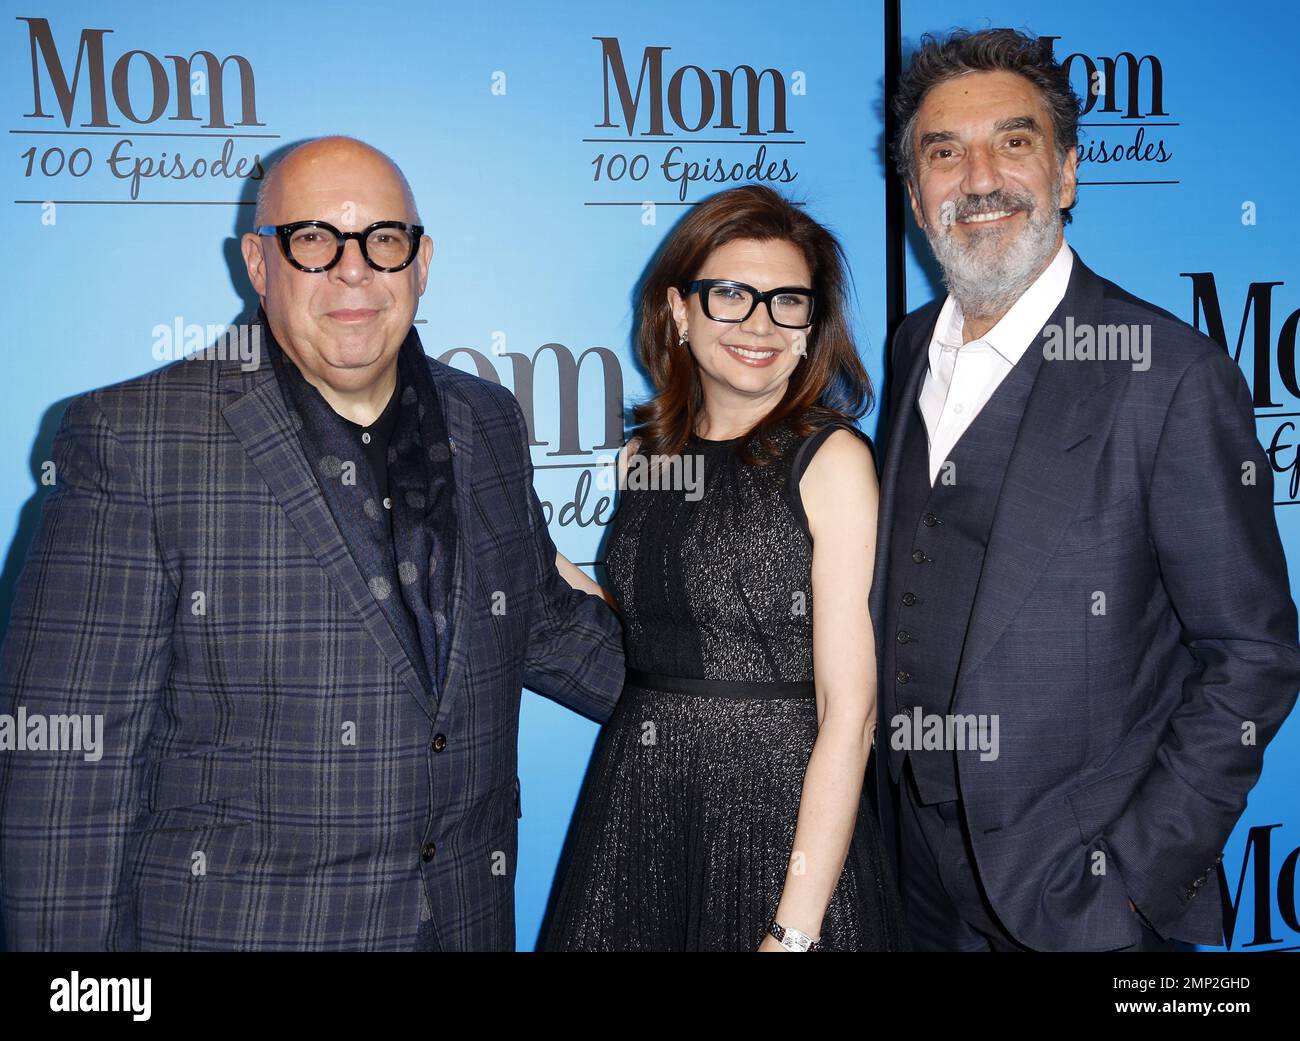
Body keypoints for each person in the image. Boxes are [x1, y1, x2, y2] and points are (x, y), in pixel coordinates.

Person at [0, 136, 624, 951]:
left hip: (467, 922)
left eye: (383, 241)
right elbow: (62, 784)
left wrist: (762, 700)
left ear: (422, 261)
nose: (353, 270)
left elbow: (541, 625)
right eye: (314, 240)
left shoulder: (487, 419)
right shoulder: (135, 439)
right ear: (260, 264)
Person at [875, 28, 1300, 951]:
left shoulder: (1169, 374)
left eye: (1013, 142)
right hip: (911, 882)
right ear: (915, 196)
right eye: (944, 153)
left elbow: (1253, 655)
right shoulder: (911, 348)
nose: (979, 178)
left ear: (1066, 173)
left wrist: (1136, 879)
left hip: (1086, 898)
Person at [543, 184, 909, 951]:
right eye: (732, 295)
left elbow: (853, 713)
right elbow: (650, 625)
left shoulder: (831, 458)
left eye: (787, 302)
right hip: (636, 812)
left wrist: (794, 930)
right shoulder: (646, 455)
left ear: (813, 325)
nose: (760, 323)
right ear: (679, 310)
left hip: (779, 826)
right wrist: (523, 543)